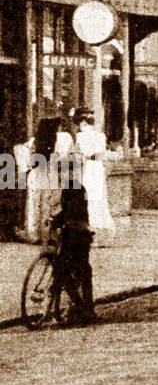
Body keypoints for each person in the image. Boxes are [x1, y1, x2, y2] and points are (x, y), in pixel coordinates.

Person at [50, 153, 95, 324]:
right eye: (60, 172)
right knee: (70, 271)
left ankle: (82, 306)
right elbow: (66, 212)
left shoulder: (77, 189)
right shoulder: (70, 188)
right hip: (73, 234)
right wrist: (55, 222)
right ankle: (82, 306)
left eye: (65, 172)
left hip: (78, 236)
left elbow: (77, 212)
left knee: (72, 271)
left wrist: (63, 223)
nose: (62, 175)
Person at [72, 110, 114, 238]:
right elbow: (103, 153)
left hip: (89, 166)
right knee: (99, 196)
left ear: (83, 123)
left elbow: (78, 154)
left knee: (89, 196)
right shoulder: (101, 136)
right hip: (98, 166)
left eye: (79, 124)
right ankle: (103, 225)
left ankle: (91, 224)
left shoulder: (81, 137)